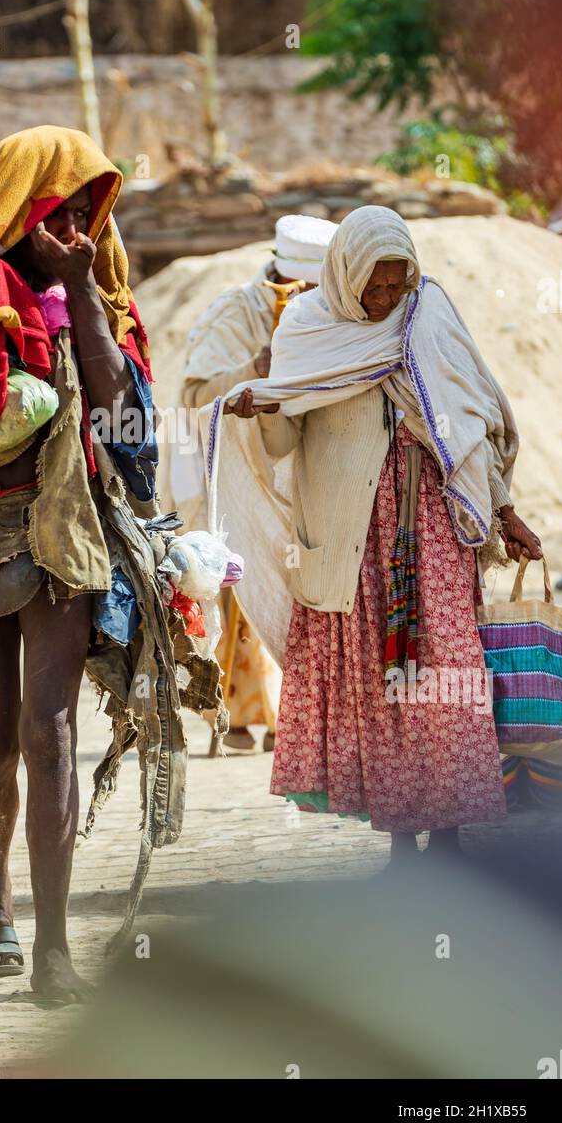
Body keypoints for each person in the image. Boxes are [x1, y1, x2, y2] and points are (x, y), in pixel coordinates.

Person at [0, 126, 220, 999]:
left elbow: (123, 419)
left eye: (90, 209)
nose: (78, 225)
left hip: (64, 536)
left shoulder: (97, 292)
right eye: (60, 208)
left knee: (47, 735)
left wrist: (80, 292)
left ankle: (52, 944)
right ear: (17, 207)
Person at [213, 205, 542, 868]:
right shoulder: (308, 330)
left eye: (397, 284)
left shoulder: (431, 318)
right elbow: (284, 436)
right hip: (352, 539)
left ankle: (447, 836)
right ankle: (402, 842)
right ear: (345, 275)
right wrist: (265, 403)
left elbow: (468, 427)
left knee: (447, 675)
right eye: (376, 287)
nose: (387, 299)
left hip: (435, 529)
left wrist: (504, 512)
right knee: (383, 686)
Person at [175, 215, 336, 754]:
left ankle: (306, 712)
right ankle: (241, 715)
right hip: (240, 478)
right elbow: (195, 392)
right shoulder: (237, 312)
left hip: (316, 476)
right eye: (305, 291)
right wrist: (256, 366)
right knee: (245, 588)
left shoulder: (345, 312)